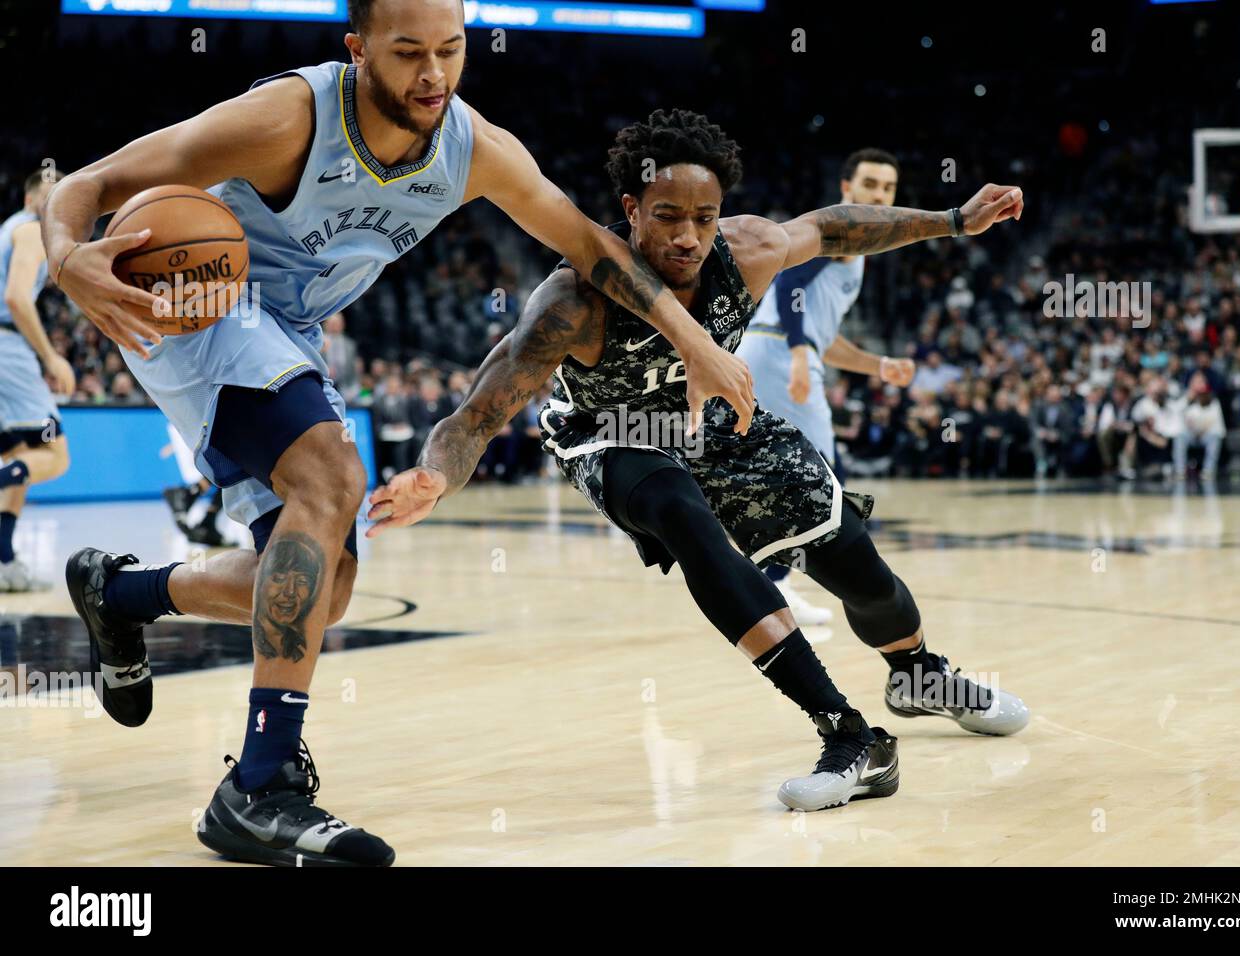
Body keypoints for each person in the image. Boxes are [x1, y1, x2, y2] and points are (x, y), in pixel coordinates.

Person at [42, 0, 754, 868]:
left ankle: (123, 595)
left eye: (450, 51)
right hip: (201, 301)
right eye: (409, 51)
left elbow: (589, 245)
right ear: (358, 49)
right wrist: (66, 254)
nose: (433, 75)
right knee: (331, 480)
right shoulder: (288, 119)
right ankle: (260, 787)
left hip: (292, 331)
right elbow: (88, 183)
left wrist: (694, 340)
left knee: (322, 591)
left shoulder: (471, 147)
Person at [369, 109, 1030, 813]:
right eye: (667, 216)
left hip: (715, 421)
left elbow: (834, 226)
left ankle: (917, 674)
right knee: (679, 514)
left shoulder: (744, 254)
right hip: (609, 430)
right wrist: (435, 475)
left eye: (703, 218)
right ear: (632, 209)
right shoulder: (572, 304)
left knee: (855, 565)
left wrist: (953, 219)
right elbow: (477, 413)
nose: (687, 236)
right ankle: (848, 733)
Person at [735, 148, 915, 625]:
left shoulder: (859, 253)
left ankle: (772, 586)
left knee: (795, 476)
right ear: (846, 190)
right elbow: (789, 281)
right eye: (870, 185)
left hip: (775, 350)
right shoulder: (841, 233)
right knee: (823, 477)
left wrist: (877, 365)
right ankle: (776, 588)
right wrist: (797, 354)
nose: (880, 195)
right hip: (776, 353)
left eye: (888, 188)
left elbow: (823, 338)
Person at [0, 170, 75, 592]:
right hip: (8, 350)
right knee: (55, 452)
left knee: (20, 455)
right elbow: (14, 297)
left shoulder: (6, 230)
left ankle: (4, 560)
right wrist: (50, 356)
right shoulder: (29, 230)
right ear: (33, 198)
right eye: (52, 194)